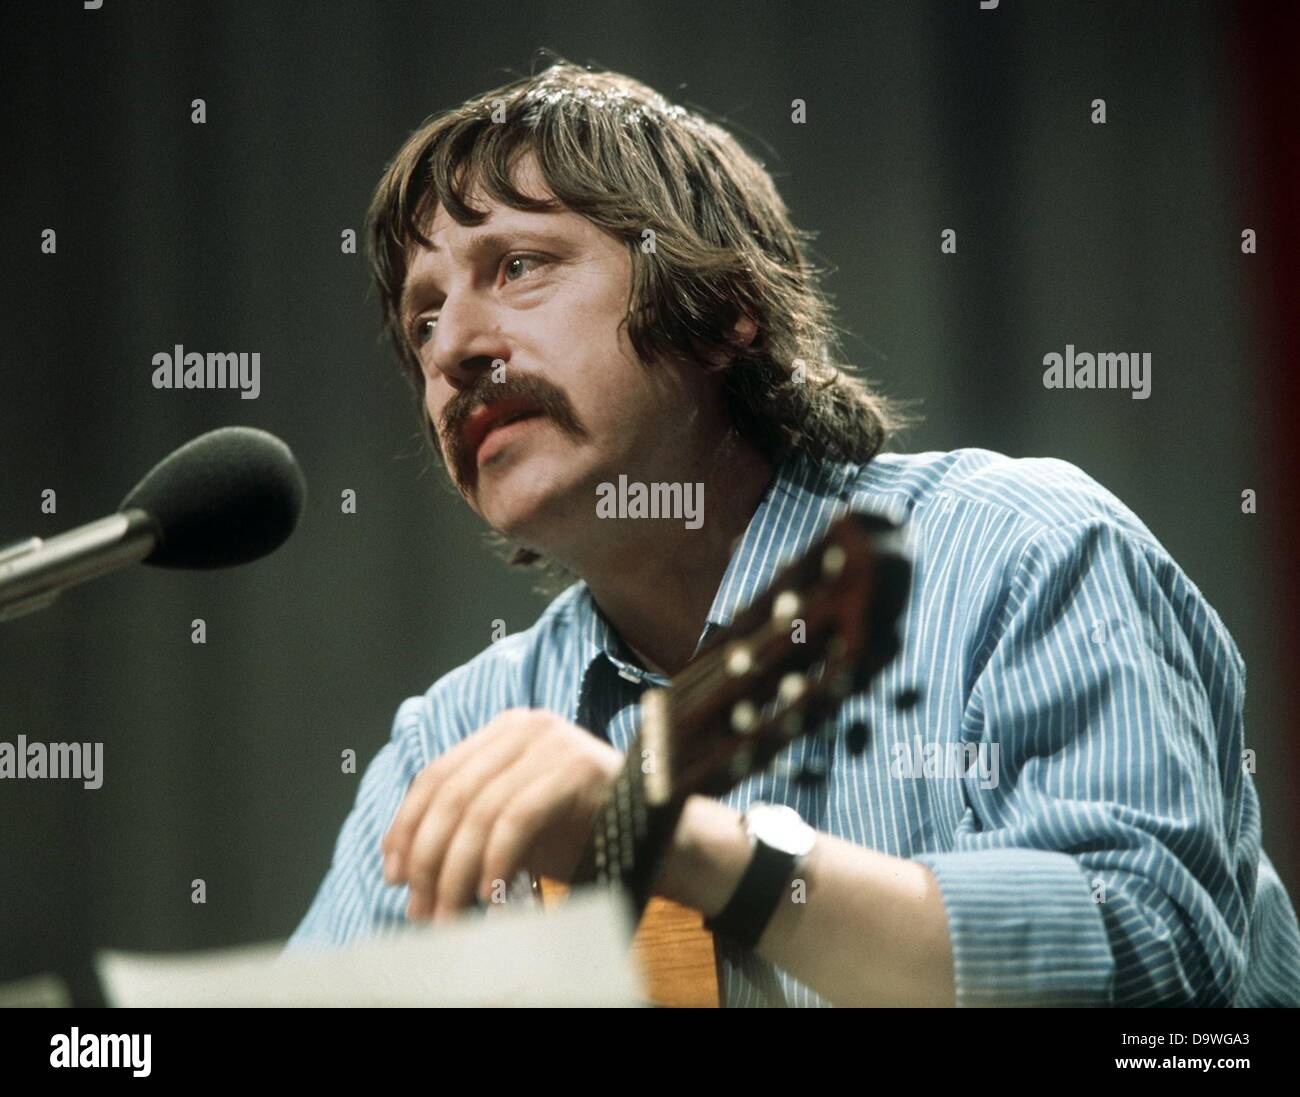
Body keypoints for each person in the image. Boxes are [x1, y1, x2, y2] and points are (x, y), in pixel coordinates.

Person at [289, 61, 1300, 1006]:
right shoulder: (452, 740)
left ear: (721, 308)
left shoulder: (1019, 553)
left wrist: (687, 844)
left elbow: (1153, 968)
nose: (455, 347)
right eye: (422, 320)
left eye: (517, 264)